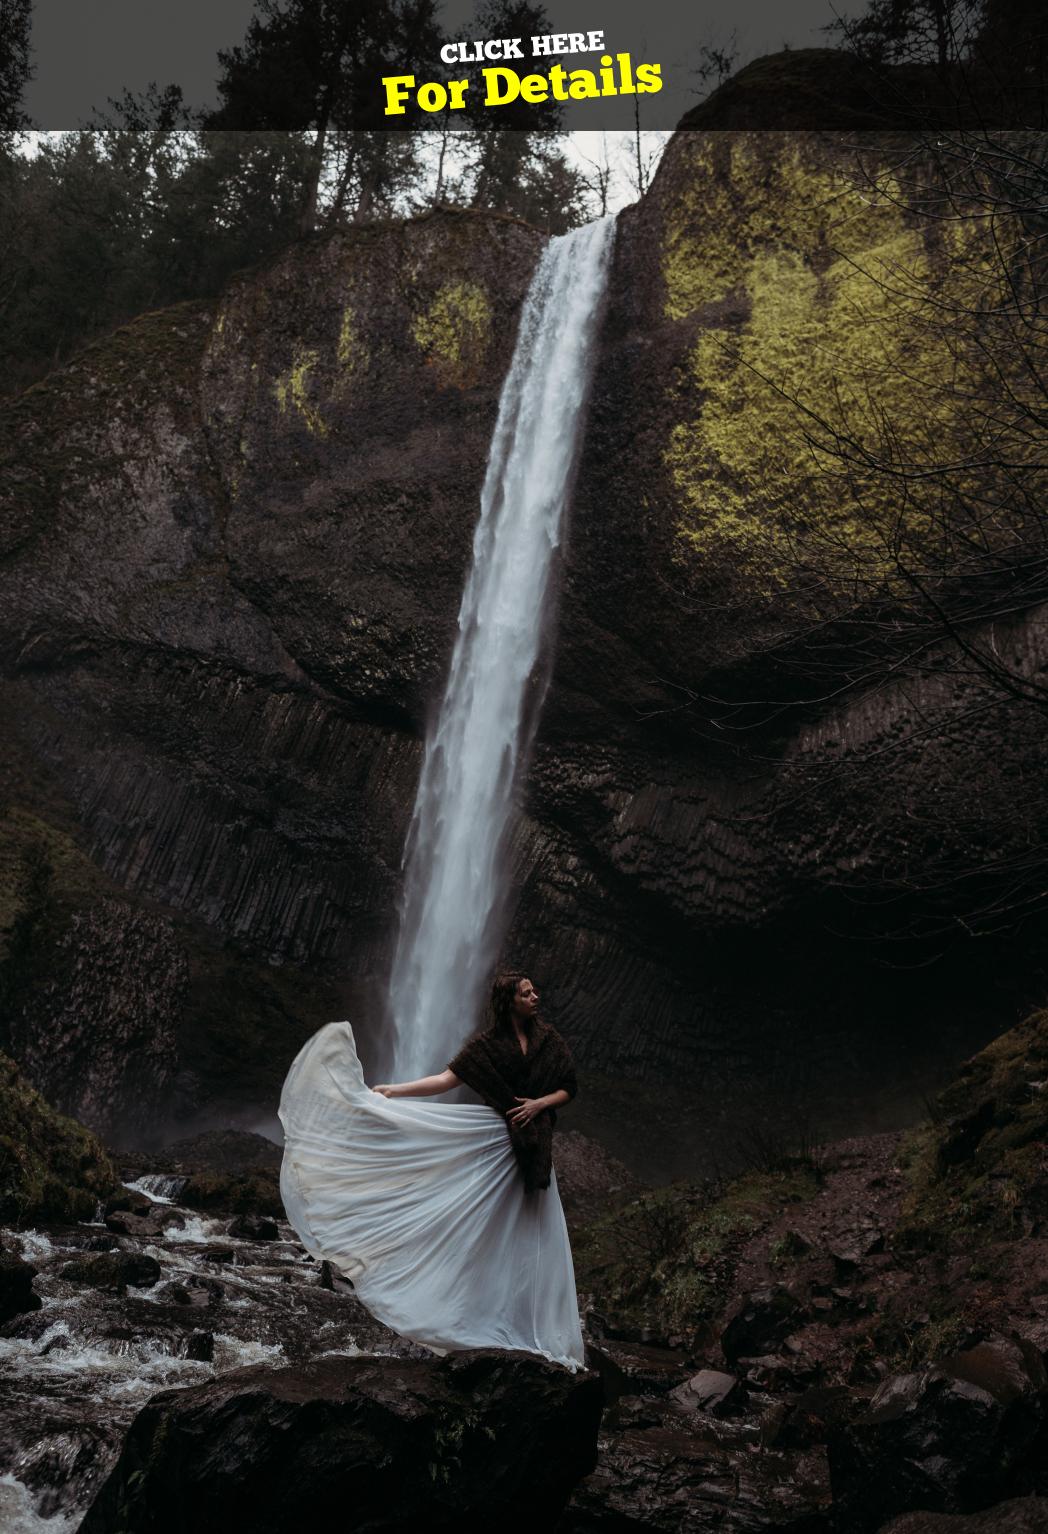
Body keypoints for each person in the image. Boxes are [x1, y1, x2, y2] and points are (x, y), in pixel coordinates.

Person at [277, 970, 584, 1369]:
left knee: (536, 1237)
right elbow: (446, 1079)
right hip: (493, 1145)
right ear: (509, 1000)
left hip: (535, 1151)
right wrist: (395, 1090)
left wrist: (538, 1105)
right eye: (527, 993)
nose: (535, 996)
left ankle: (537, 1327)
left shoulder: (549, 1040)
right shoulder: (488, 1046)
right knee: (488, 1234)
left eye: (534, 991)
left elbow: (569, 1088)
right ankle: (477, 1318)